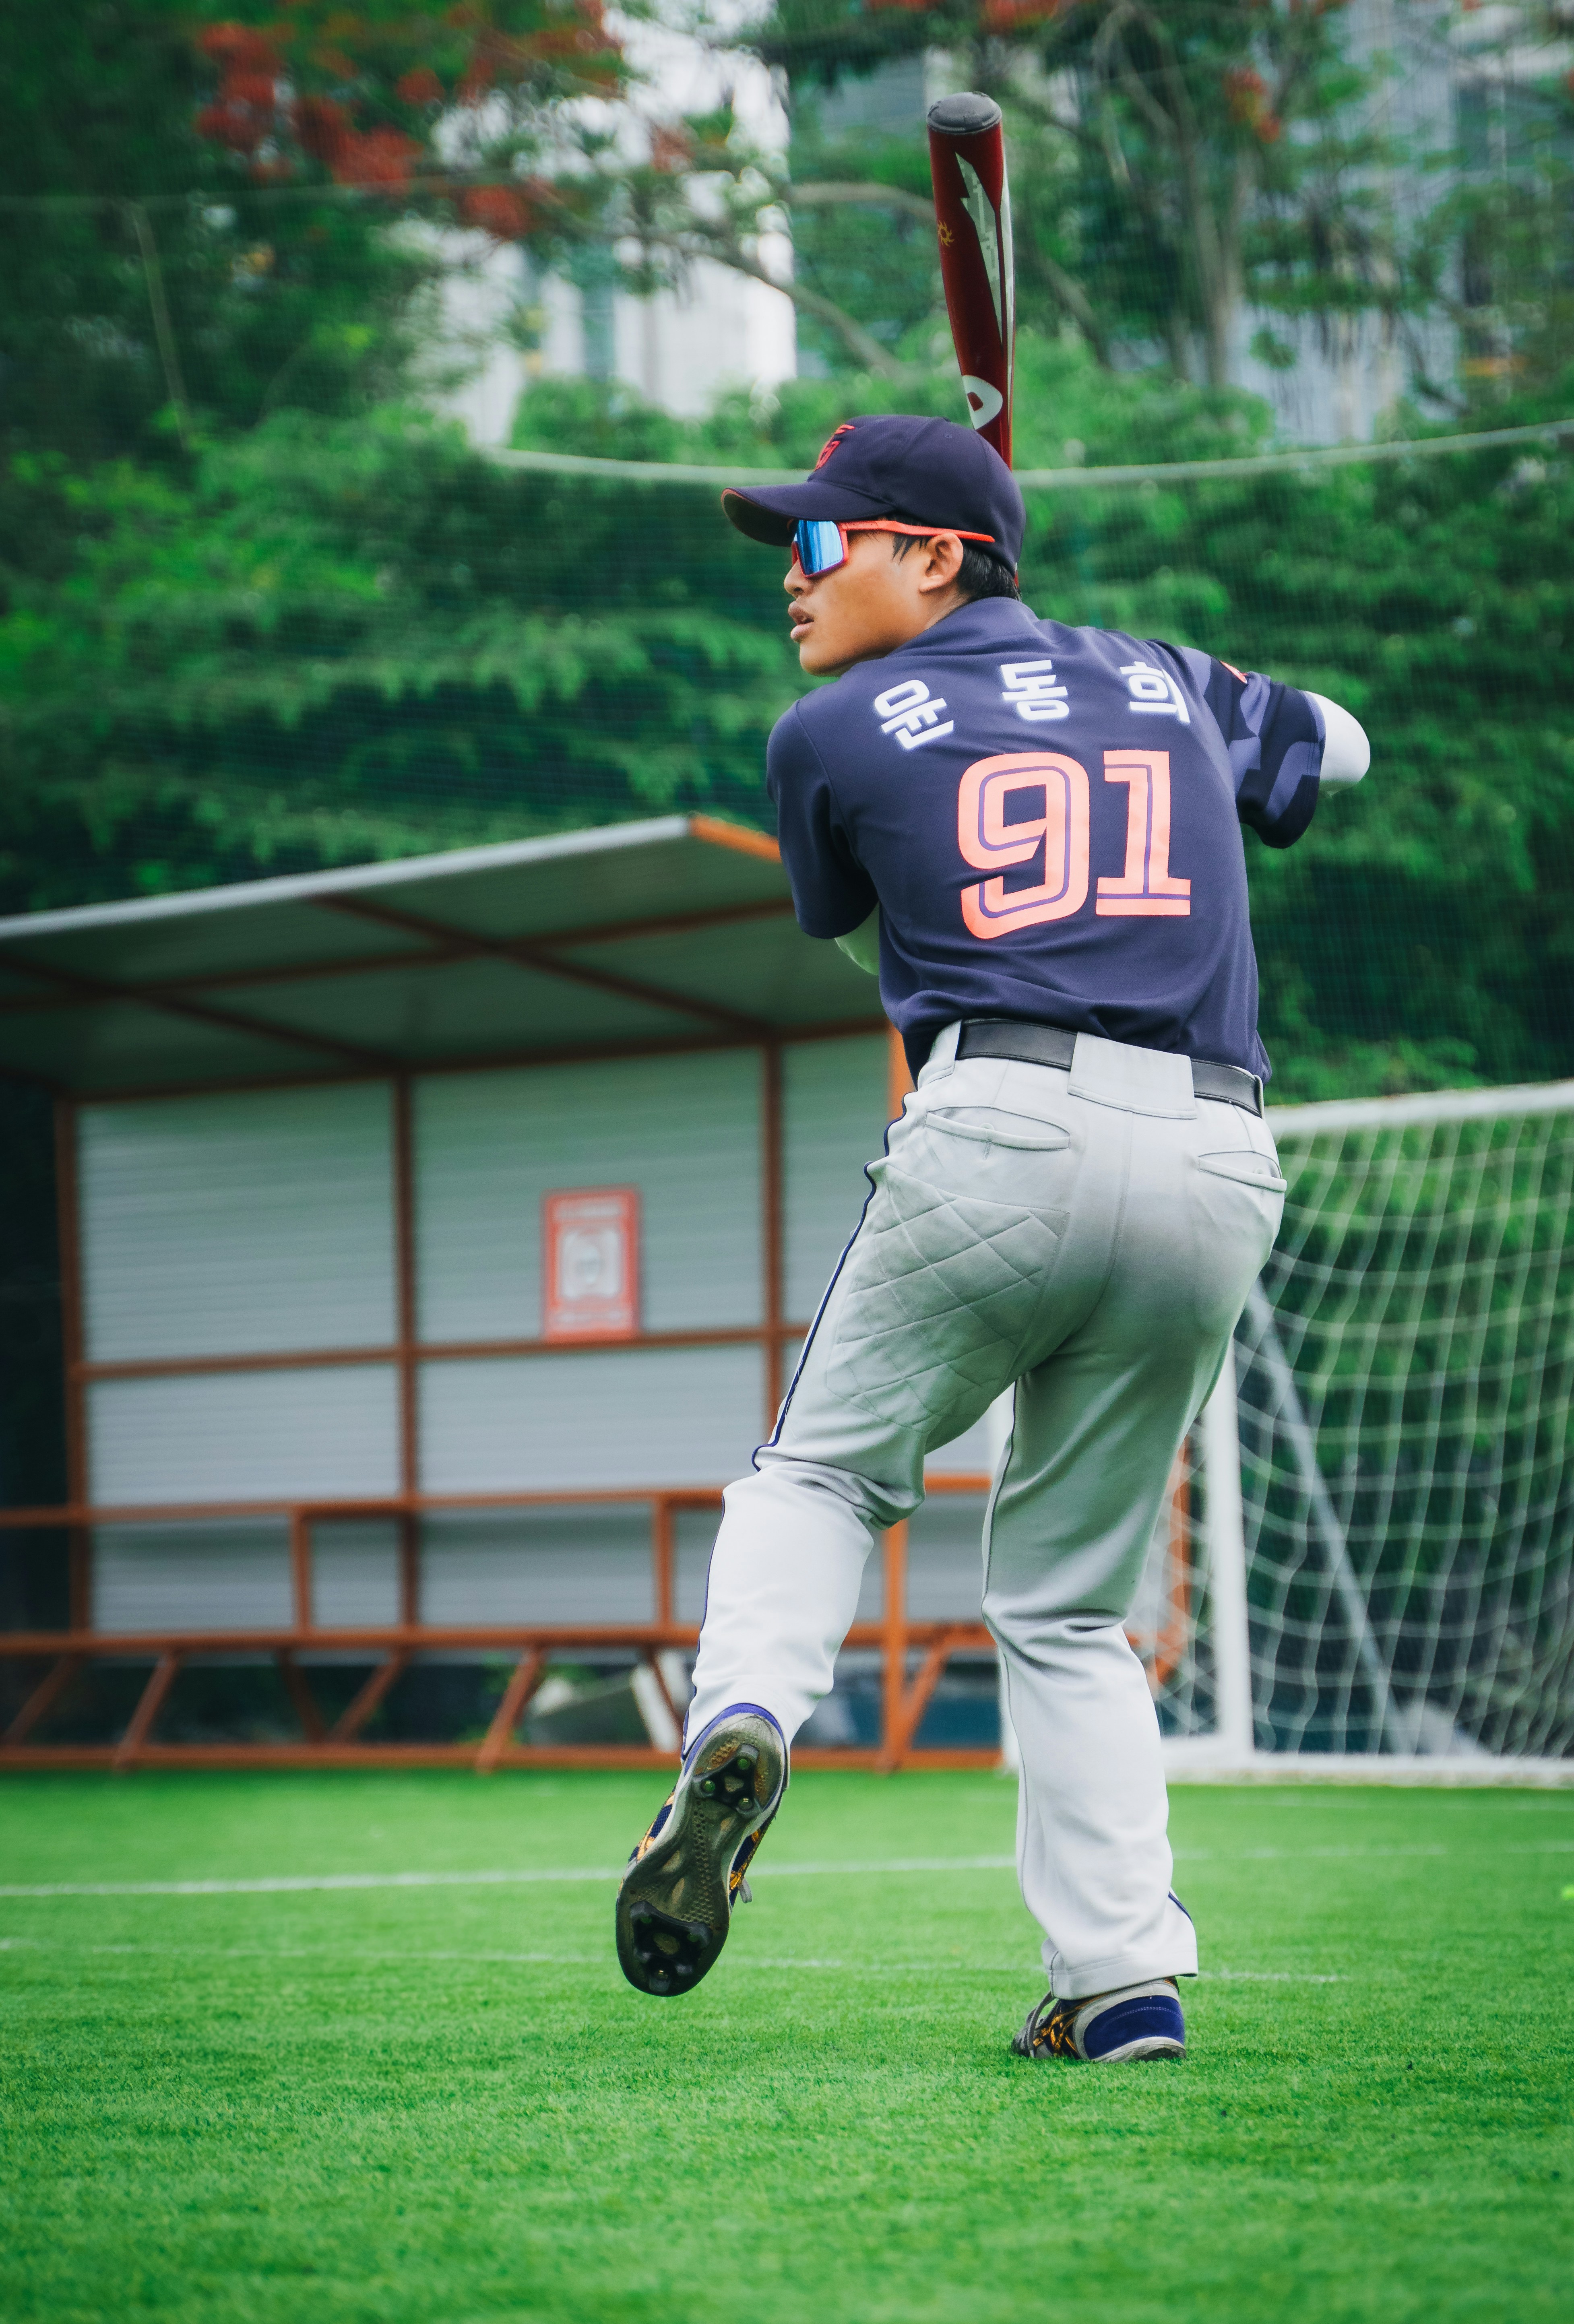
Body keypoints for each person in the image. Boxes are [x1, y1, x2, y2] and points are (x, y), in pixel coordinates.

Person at [614, 413, 1369, 2062]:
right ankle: (1121, 1983)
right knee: (1072, 1603)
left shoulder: (822, 732)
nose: (791, 581)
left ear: (933, 555)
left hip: (1001, 1119)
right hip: (1219, 1155)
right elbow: (1344, 750)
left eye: (820, 543)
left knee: (818, 1478)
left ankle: (740, 1720)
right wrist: (1174, 696)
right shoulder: (1169, 675)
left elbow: (872, 944)